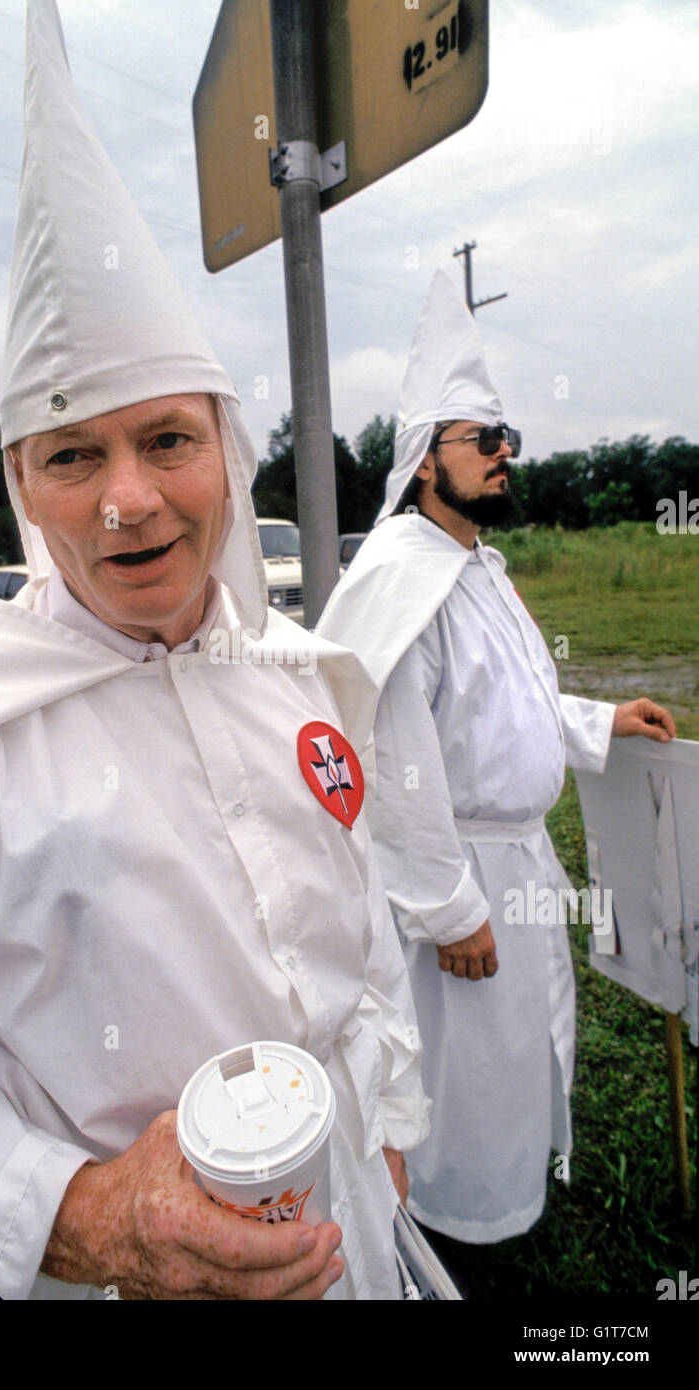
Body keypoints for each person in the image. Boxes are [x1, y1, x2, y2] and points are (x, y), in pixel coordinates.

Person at [0, 0, 431, 1300]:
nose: (127, 501)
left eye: (165, 439)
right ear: (21, 489)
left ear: (228, 452)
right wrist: (86, 1217)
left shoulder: (298, 678)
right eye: (71, 456)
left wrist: (381, 1118)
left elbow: (357, 939)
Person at [316, 270, 676, 1249]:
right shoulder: (398, 576)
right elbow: (394, 758)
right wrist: (447, 908)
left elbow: (510, 702)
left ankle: (500, 1195)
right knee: (460, 1069)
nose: (505, 453)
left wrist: (601, 720)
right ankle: (447, 1216)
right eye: (483, 439)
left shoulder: (476, 567)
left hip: (511, 865)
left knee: (515, 1051)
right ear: (424, 459)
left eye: (508, 436)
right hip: (457, 876)